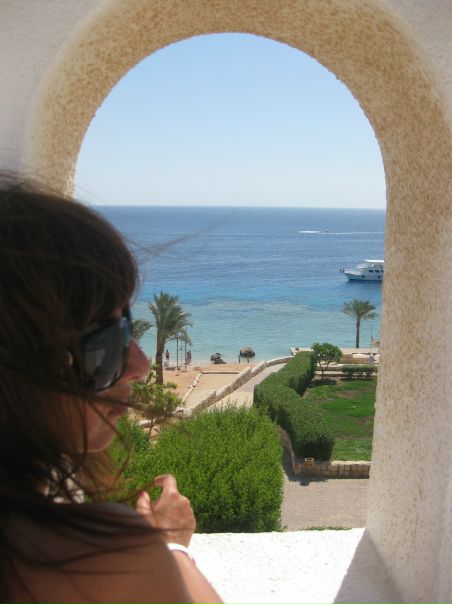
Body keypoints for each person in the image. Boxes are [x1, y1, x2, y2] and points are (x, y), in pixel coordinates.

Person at [0, 177, 222, 604]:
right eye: (105, 344)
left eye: (127, 325)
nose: (139, 365)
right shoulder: (94, 562)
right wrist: (171, 545)